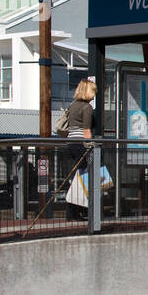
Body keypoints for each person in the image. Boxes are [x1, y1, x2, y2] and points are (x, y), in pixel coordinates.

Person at [63, 78, 96, 220]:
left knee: (78, 176)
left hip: (71, 142)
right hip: (81, 144)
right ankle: (76, 211)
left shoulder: (72, 105)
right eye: (94, 91)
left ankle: (74, 212)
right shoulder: (87, 108)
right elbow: (87, 130)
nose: (95, 94)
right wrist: (90, 144)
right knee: (83, 178)